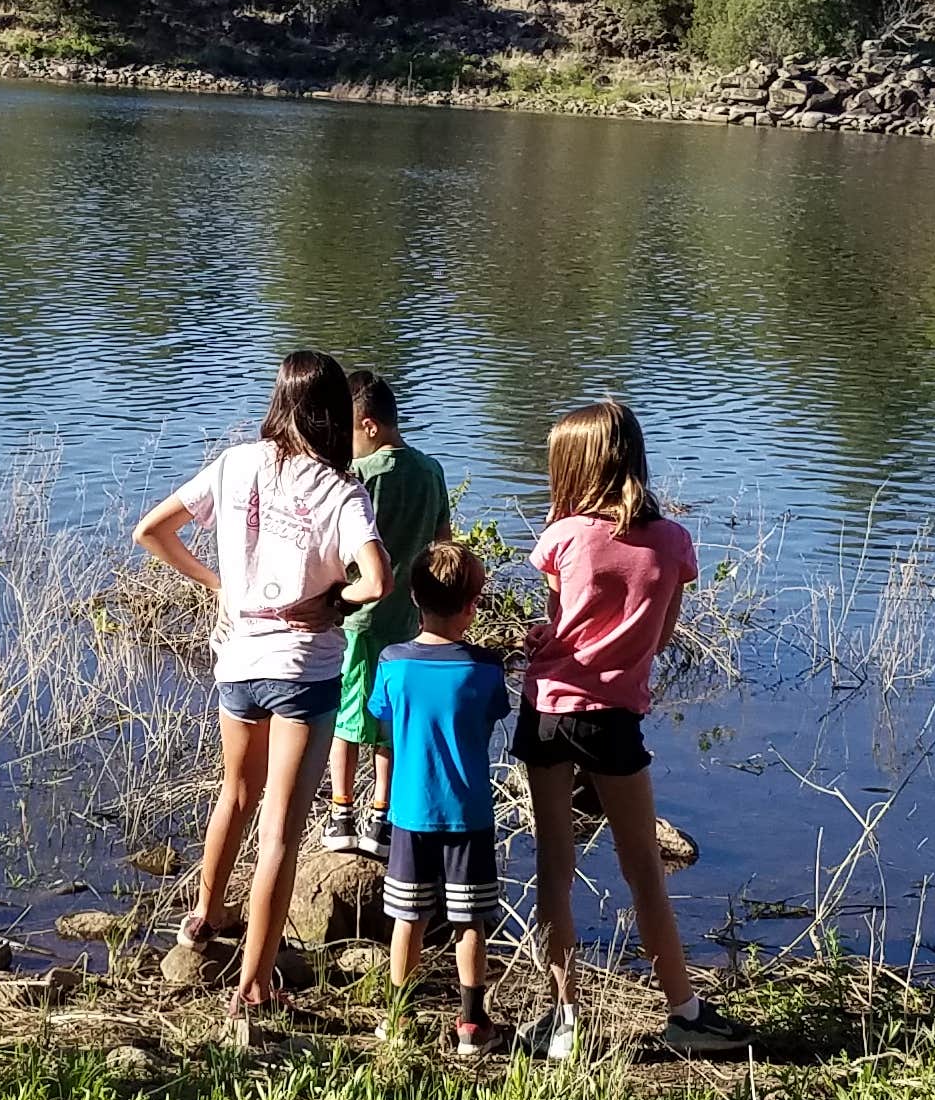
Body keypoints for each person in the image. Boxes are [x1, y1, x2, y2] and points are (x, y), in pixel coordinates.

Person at [133, 350, 388, 1013]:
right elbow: (378, 579)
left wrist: (221, 585)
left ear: (279, 401)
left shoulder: (235, 462)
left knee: (234, 794)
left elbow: (151, 532)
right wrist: (335, 604)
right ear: (335, 414)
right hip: (304, 670)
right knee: (280, 830)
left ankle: (204, 915)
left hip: (238, 660)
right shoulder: (341, 489)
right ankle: (255, 981)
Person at [519, 398, 742, 1062]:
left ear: (575, 467)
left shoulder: (561, 538)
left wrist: (548, 639)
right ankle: (685, 1011)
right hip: (616, 720)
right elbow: (661, 633)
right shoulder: (673, 543)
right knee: (645, 869)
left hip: (552, 714)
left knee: (554, 871)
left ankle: (563, 1023)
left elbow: (565, 626)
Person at [361, 539, 517, 1059]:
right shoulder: (485, 668)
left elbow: (379, 714)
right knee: (470, 922)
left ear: (413, 597)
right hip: (469, 816)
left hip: (409, 813)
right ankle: (472, 1024)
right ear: (472, 605)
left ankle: (397, 1019)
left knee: (409, 918)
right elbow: (494, 711)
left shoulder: (393, 663)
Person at [317, 369, 452, 861]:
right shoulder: (432, 470)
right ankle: (382, 815)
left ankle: (341, 812)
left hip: (360, 618)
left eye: (348, 434)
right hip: (409, 623)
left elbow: (337, 550)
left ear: (369, 426)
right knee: (390, 720)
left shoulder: (362, 478)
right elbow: (443, 545)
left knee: (347, 719)